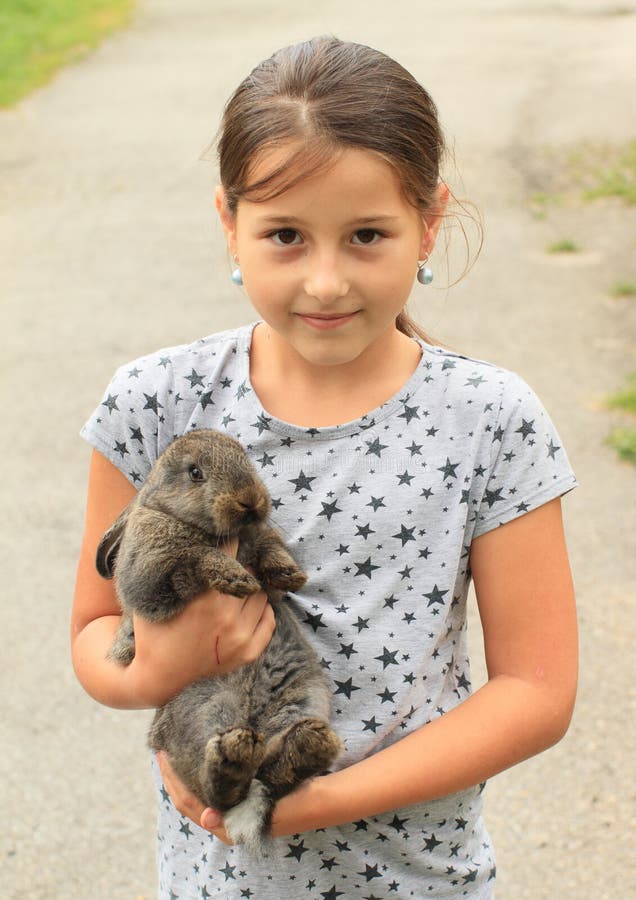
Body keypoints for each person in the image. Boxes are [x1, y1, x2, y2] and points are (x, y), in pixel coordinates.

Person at [72, 36, 578, 900]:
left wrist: (319, 800)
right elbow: (92, 627)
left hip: (424, 881)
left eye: (367, 235)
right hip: (215, 882)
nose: (327, 281)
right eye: (285, 236)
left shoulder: (490, 419)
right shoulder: (155, 400)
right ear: (228, 224)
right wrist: (155, 672)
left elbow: (537, 689)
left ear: (429, 221)